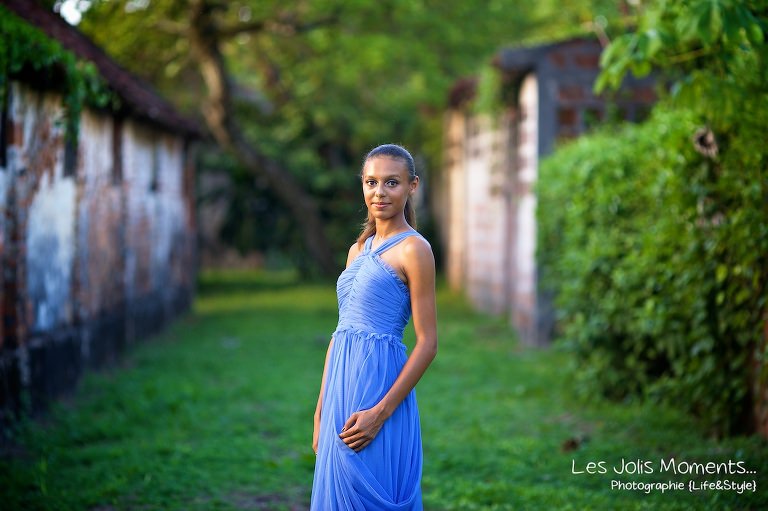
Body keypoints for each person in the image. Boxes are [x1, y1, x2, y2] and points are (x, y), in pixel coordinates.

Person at [311, 144, 438, 510]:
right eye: (371, 182)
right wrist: (321, 409)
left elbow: (428, 343)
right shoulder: (358, 248)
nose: (379, 192)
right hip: (339, 388)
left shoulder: (415, 250)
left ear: (412, 186)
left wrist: (380, 413)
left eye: (391, 182)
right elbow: (341, 332)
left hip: (380, 390)